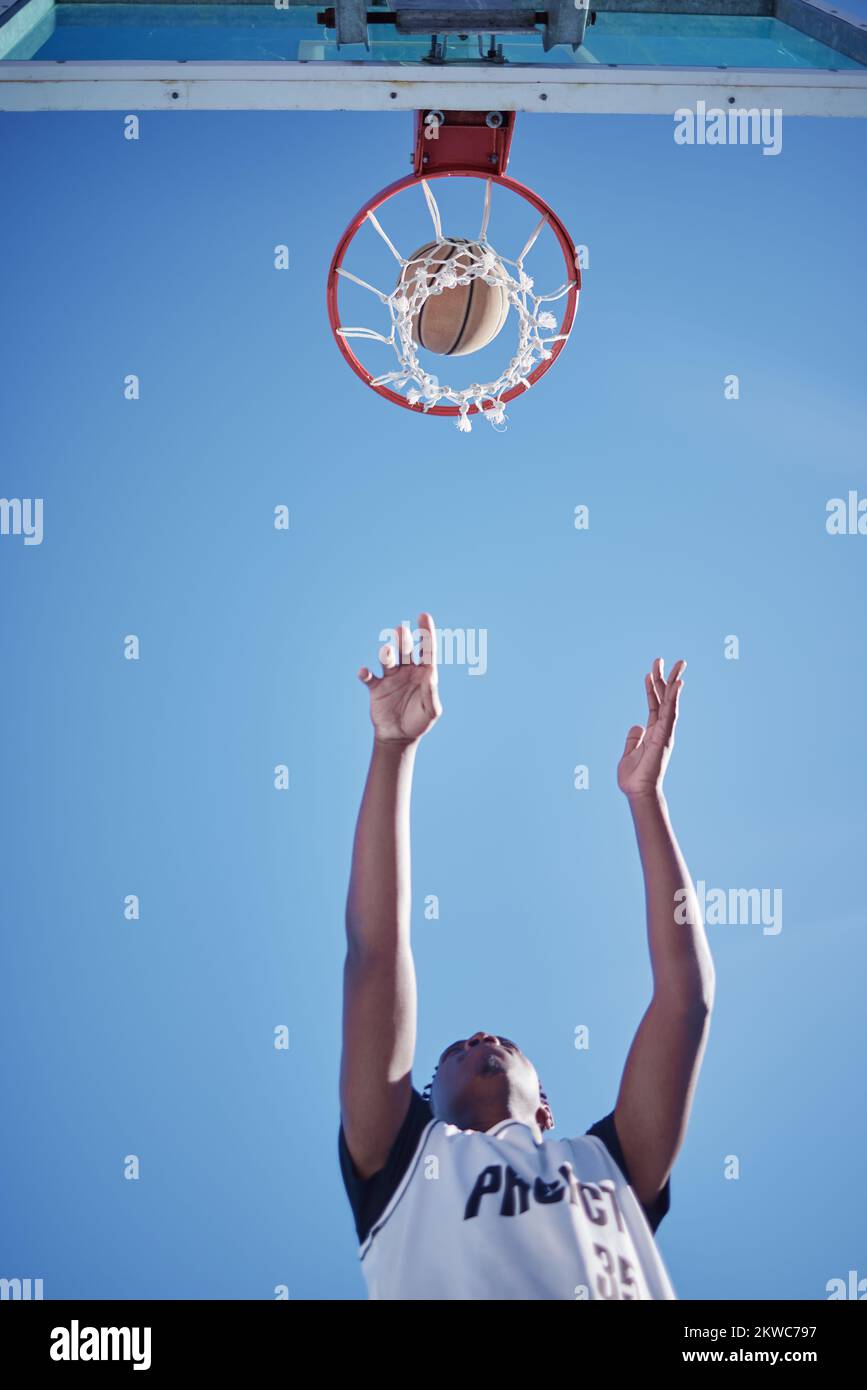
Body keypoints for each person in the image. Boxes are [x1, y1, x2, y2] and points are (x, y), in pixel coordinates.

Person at [338, 611, 715, 1300]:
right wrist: (391, 749)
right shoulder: (403, 1160)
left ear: (545, 1105)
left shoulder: (606, 1163)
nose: (481, 1038)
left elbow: (683, 996)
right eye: (455, 1049)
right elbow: (374, 952)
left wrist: (645, 797)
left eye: (500, 1041)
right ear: (425, 1100)